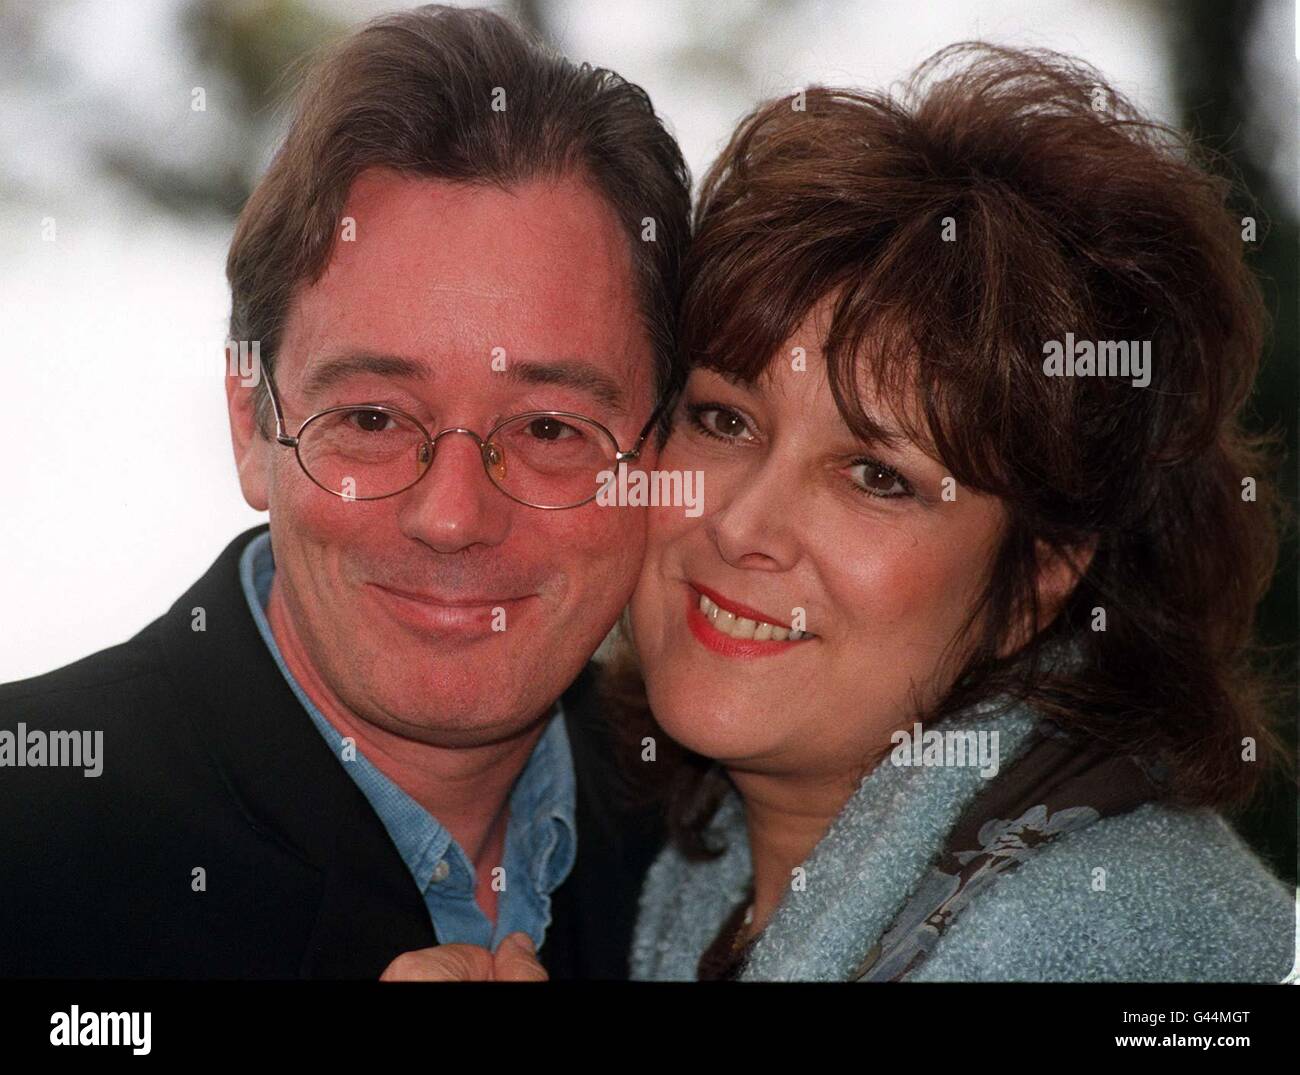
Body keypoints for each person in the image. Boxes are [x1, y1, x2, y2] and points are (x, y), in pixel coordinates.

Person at [0, 5, 688, 979]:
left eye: (548, 431)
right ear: (251, 424)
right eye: (371, 419)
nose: (451, 517)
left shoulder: (724, 861)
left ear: (659, 460)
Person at [616, 43, 1295, 981]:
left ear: (1041, 579)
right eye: (723, 419)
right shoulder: (667, 866)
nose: (741, 525)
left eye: (875, 476)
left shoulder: (1094, 944)